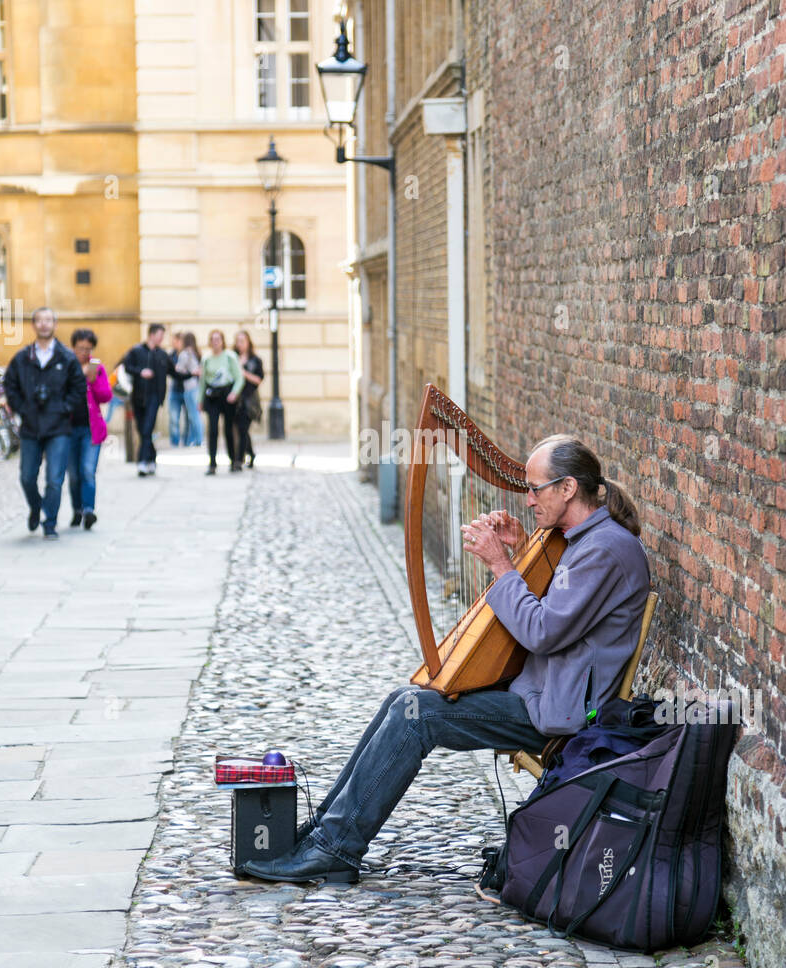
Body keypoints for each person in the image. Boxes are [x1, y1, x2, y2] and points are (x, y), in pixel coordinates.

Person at [242, 434, 651, 884]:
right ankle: (324, 829)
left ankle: (337, 848)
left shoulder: (604, 550)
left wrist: (501, 566)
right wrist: (517, 555)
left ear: (568, 488)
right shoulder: (581, 540)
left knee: (416, 715)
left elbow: (543, 630)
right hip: (541, 691)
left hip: (560, 712)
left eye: (535, 488)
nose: (527, 499)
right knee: (407, 697)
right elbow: (561, 615)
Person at [3, 307, 86, 540]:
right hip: (30, 426)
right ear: (33, 325)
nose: (44, 324)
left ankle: (50, 522)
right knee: (27, 477)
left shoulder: (67, 357)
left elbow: (78, 389)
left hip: (58, 427)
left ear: (55, 324)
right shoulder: (22, 358)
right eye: (39, 320)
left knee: (54, 479)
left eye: (48, 320)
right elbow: (10, 386)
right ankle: (36, 506)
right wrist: (22, 408)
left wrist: (64, 408)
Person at [67, 329, 112, 530]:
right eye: (80, 348)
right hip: (67, 429)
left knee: (87, 470)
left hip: (90, 429)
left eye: (88, 348)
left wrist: (92, 380)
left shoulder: (97, 367)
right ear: (73, 347)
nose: (84, 352)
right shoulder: (66, 366)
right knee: (74, 474)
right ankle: (77, 509)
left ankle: (88, 510)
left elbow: (106, 396)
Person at [122, 323, 169, 476]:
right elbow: (125, 366)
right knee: (143, 431)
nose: (162, 338)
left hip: (154, 397)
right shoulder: (136, 351)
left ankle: (142, 461)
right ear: (152, 334)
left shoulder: (162, 354)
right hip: (138, 397)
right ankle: (151, 459)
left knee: (147, 428)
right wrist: (140, 372)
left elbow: (174, 371)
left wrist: (191, 373)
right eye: (160, 335)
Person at [198, 330, 244, 474]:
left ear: (223, 341)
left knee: (229, 429)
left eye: (218, 339)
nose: (216, 342)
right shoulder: (206, 359)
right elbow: (202, 382)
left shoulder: (230, 357)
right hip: (212, 396)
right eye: (213, 339)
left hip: (227, 394)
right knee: (212, 429)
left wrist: (234, 393)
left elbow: (239, 378)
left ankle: (233, 460)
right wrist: (200, 400)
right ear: (210, 342)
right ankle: (212, 463)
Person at [233, 329, 264, 468]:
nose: (239, 344)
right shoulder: (232, 358)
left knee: (243, 429)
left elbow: (259, 379)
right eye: (237, 341)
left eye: (242, 341)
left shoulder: (255, 360)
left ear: (248, 342)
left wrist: (244, 373)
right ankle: (250, 453)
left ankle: (239, 460)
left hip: (249, 400)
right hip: (235, 399)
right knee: (241, 429)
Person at [168, 331, 202, 448]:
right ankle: (192, 440)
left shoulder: (185, 354)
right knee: (191, 416)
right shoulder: (193, 353)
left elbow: (178, 370)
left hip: (188, 388)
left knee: (193, 416)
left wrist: (174, 368)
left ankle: (196, 440)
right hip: (185, 389)